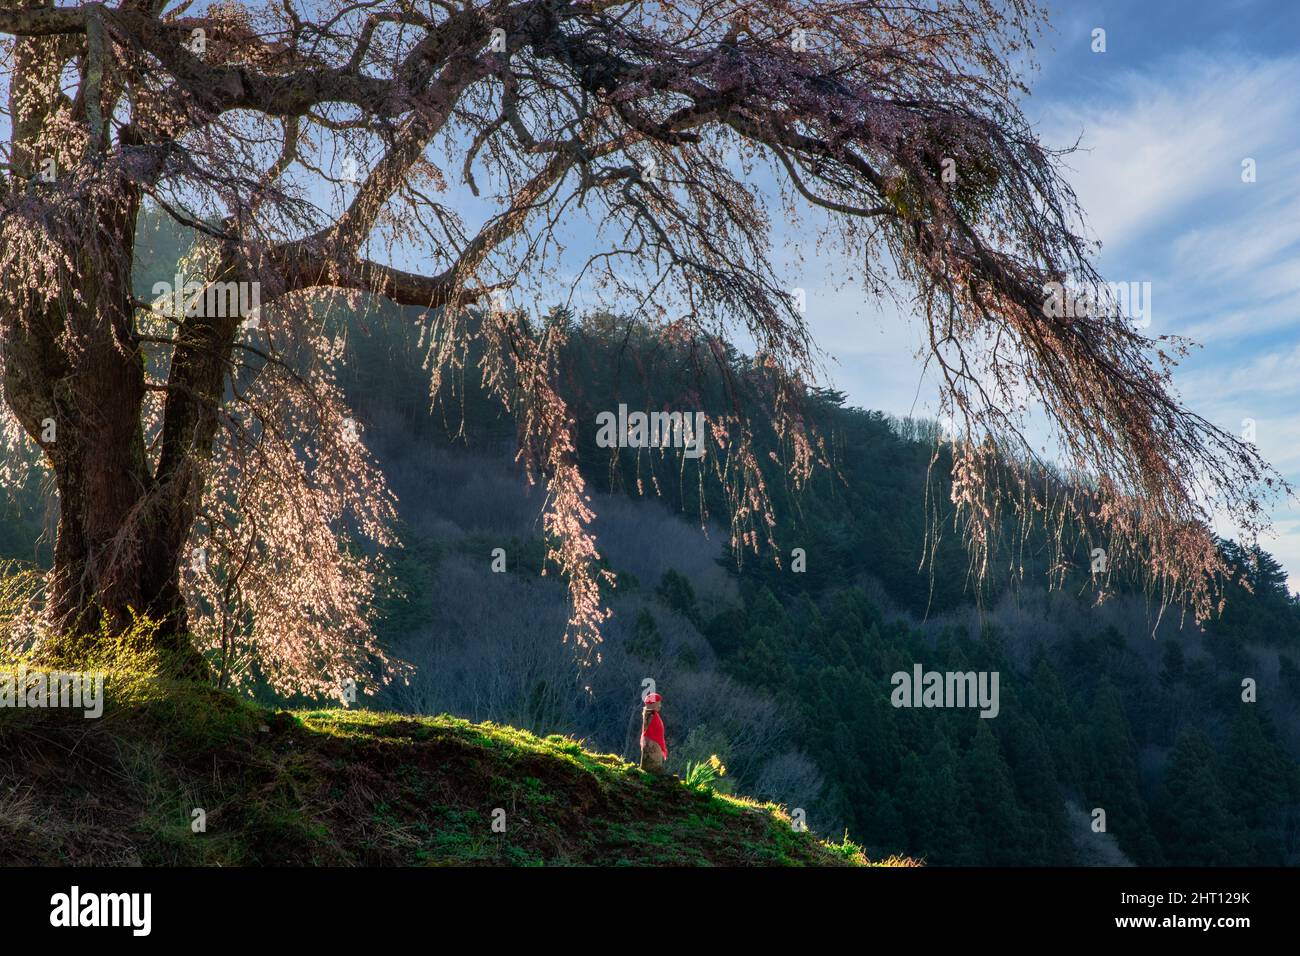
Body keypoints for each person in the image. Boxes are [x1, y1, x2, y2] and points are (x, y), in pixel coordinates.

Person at [639, 692, 667, 775]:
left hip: (655, 745)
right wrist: (651, 744)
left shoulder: (653, 715)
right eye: (658, 703)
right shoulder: (650, 715)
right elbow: (648, 733)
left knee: (656, 764)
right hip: (652, 745)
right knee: (653, 767)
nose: (660, 706)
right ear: (652, 704)